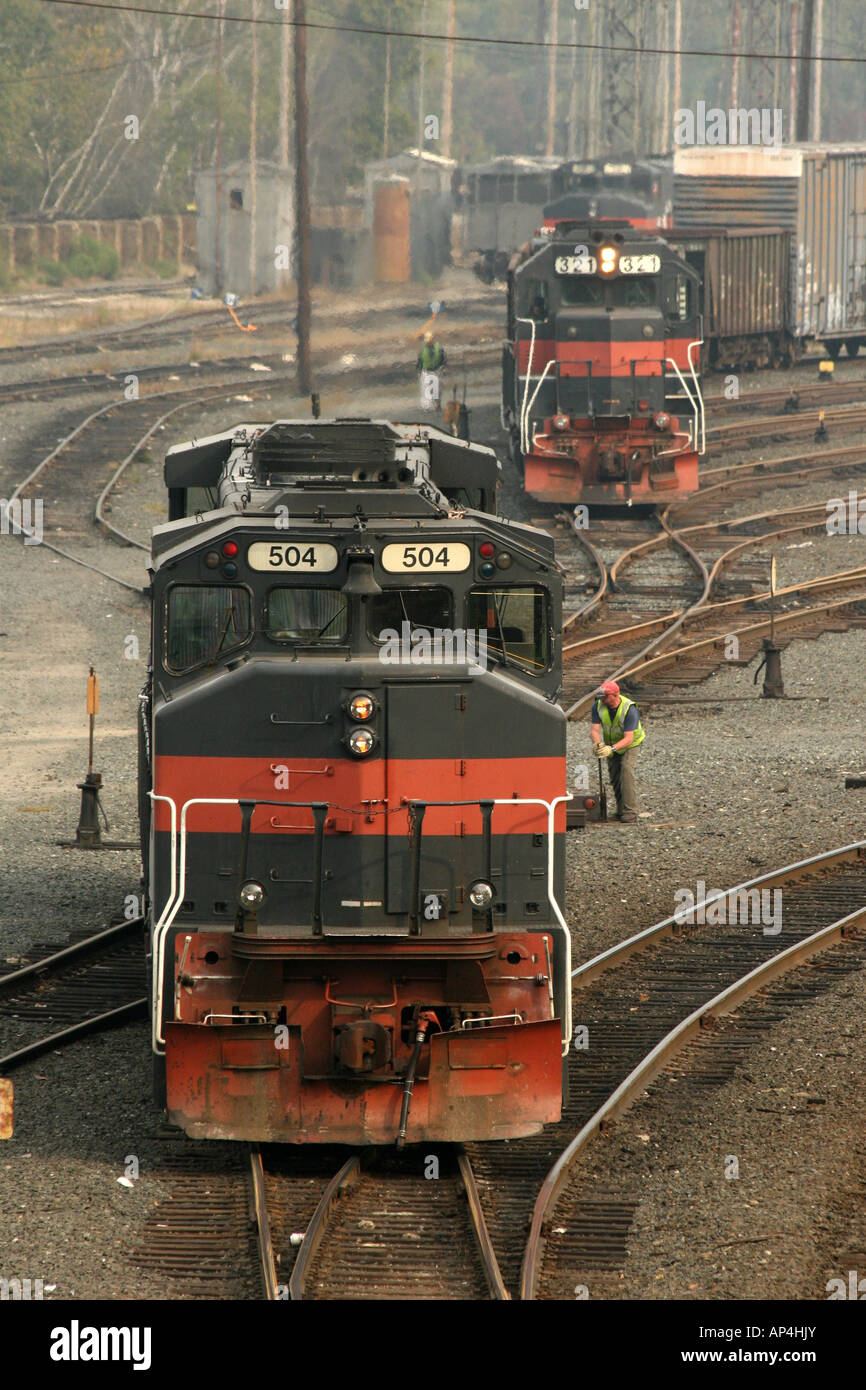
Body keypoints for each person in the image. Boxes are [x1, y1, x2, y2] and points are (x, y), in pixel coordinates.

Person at [590, 679, 645, 823]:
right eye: (601, 698)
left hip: (631, 744)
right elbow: (594, 730)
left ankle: (631, 811)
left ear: (615, 695)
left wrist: (611, 749)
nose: (602, 701)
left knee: (626, 770)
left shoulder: (629, 709)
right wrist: (598, 745)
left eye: (605, 697)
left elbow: (628, 738)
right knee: (614, 775)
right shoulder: (598, 706)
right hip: (611, 744)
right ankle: (620, 811)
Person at [417, 331, 446, 411]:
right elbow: (420, 361)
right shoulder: (424, 350)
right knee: (428, 391)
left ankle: (436, 405)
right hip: (427, 371)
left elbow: (443, 359)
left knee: (436, 390)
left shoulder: (438, 348)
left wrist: (442, 367)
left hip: (436, 371)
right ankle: (428, 407)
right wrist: (419, 369)